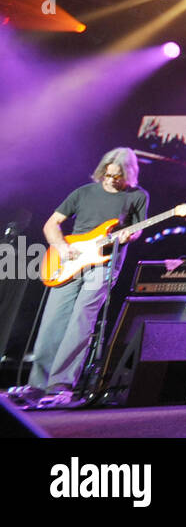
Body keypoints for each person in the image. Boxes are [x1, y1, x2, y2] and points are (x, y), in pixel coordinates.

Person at [10, 148, 148, 408]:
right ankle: (38, 385)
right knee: (53, 319)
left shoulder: (137, 196)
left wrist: (127, 236)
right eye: (107, 174)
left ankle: (61, 386)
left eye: (116, 177)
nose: (110, 180)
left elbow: (137, 230)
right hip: (70, 259)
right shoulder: (83, 192)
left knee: (81, 320)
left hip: (104, 264)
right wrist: (62, 248)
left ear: (127, 174)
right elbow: (52, 224)